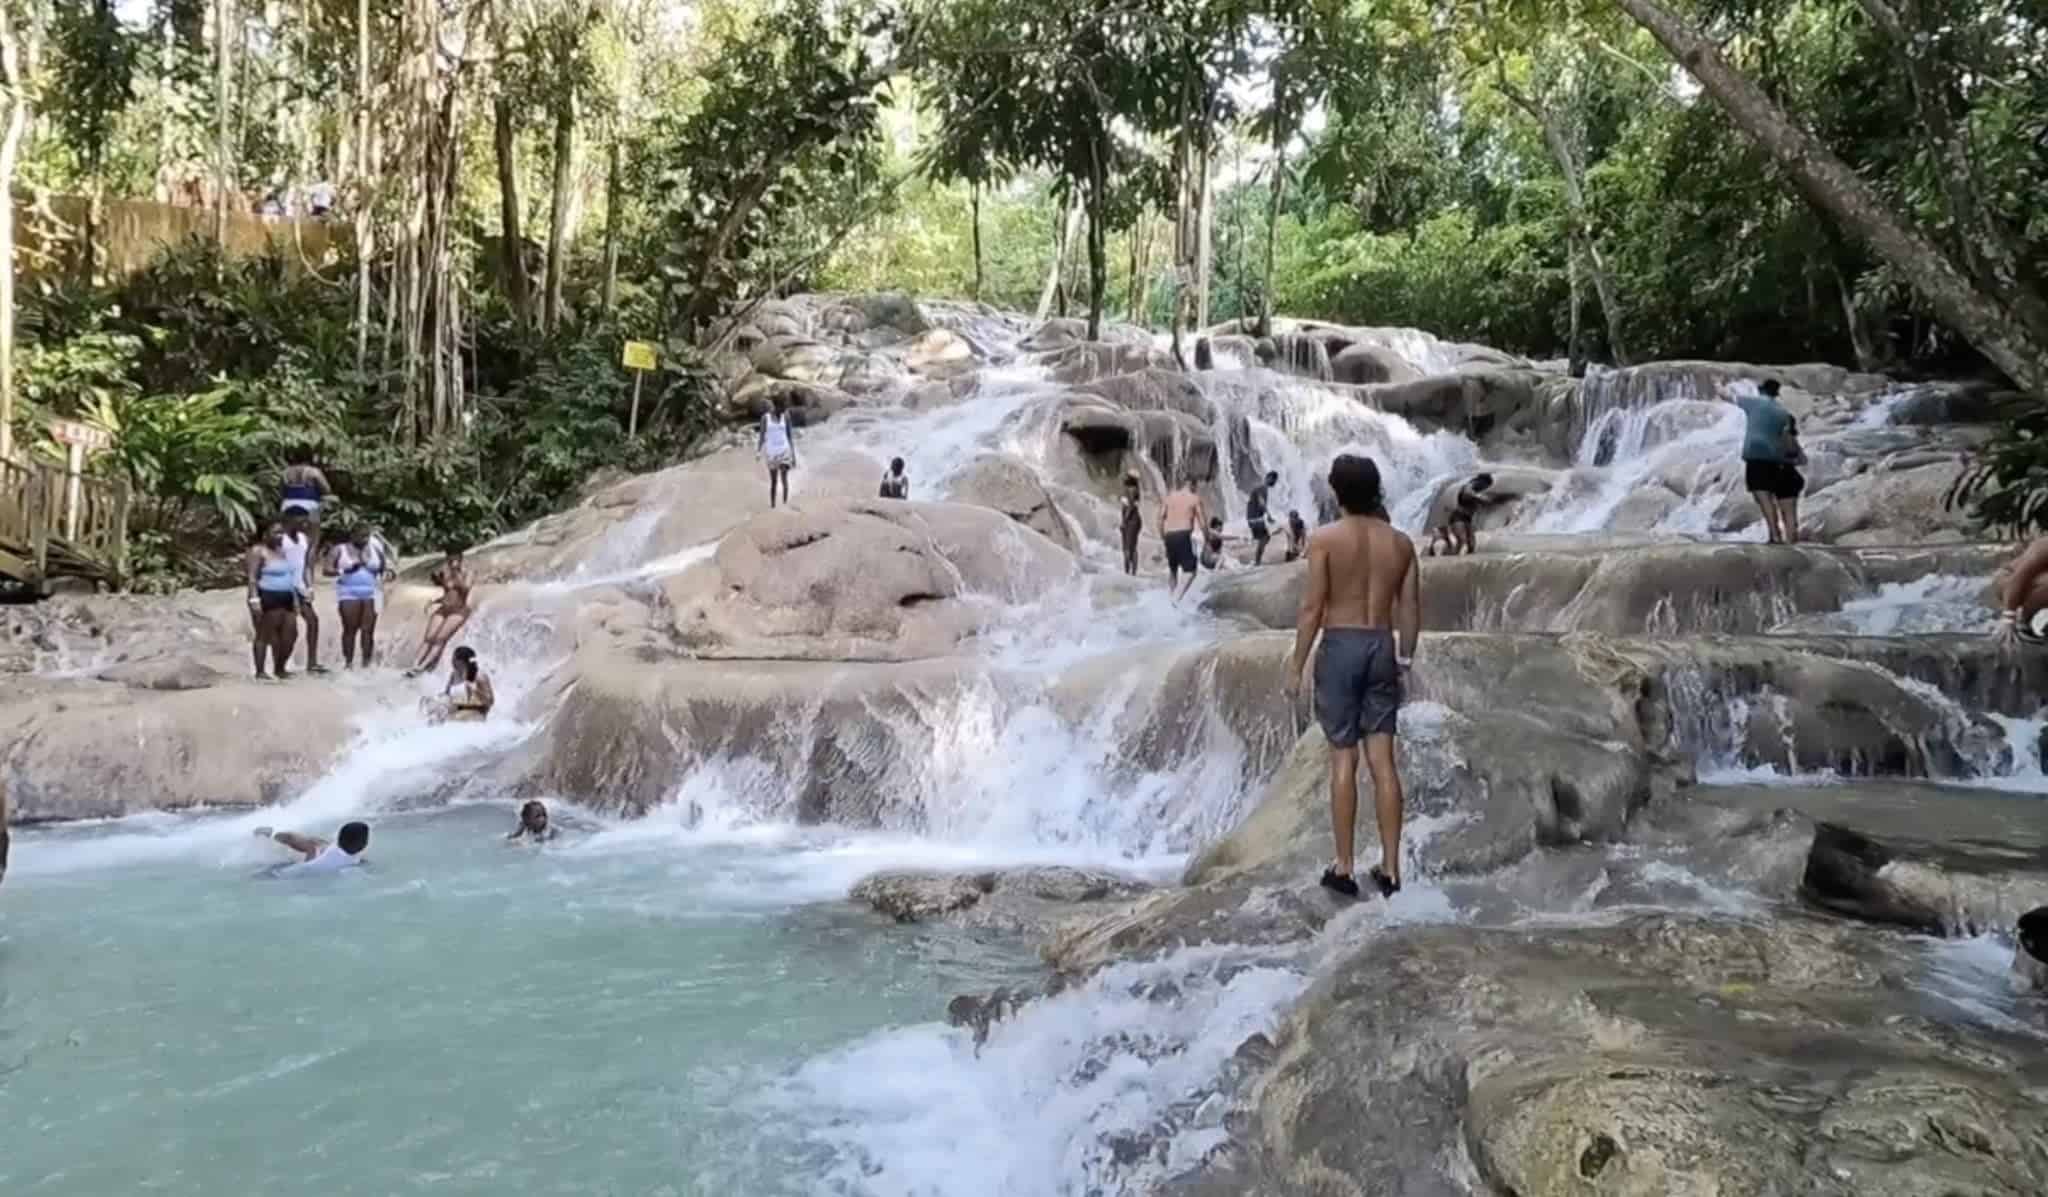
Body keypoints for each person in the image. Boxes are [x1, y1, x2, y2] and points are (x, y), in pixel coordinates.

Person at [1284, 454, 1420, 901]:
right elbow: (1410, 611)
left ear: (1337, 492)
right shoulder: (1400, 544)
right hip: (1381, 643)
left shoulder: (1323, 539)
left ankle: (1344, 866)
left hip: (1341, 645)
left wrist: (1296, 665)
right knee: (1384, 761)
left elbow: (1312, 609)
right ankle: (1392, 869)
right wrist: (1405, 659)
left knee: (1344, 759)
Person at [1732, 379, 1804, 545]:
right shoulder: (1783, 413)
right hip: (1784, 467)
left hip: (1758, 461)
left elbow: (1729, 396)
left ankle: (1774, 534)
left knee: (1765, 499)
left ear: (1762, 391)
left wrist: (1718, 385)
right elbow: (1799, 456)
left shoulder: (1754, 403)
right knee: (1789, 511)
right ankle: (1792, 542)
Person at [245, 522, 301, 680]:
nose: (280, 536)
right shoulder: (258, 551)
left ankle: (280, 668)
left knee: (290, 635)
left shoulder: (283, 552)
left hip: (287, 596)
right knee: (264, 634)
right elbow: (252, 577)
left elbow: (290, 577)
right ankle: (260, 671)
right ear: (266, 534)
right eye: (276, 533)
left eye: (282, 532)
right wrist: (254, 599)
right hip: (267, 595)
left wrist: (296, 599)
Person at [326, 525, 388, 668]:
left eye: (367, 536)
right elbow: (327, 570)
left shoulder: (374, 550)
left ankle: (366, 663)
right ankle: (348, 662)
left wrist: (385, 573)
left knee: (368, 630)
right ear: (352, 535)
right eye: (361, 536)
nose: (364, 539)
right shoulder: (339, 550)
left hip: (371, 593)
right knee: (350, 629)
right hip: (348, 593)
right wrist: (344, 570)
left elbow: (384, 568)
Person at [407, 546, 472, 677]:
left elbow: (465, 590)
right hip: (444, 607)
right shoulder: (445, 572)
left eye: (455, 559)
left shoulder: (467, 573)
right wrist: (436, 599)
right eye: (450, 559)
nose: (452, 562)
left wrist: (456, 574)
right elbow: (448, 593)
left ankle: (423, 666)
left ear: (460, 559)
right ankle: (414, 664)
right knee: (429, 637)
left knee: (439, 638)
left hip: (458, 610)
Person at [281, 508, 327, 674]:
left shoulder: (303, 539)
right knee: (288, 628)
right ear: (289, 519)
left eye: (305, 520)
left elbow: (307, 566)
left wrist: (309, 587)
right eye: (301, 520)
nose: (304, 523)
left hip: (299, 587)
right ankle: (281, 665)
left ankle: (312, 662)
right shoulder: (280, 540)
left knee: (313, 621)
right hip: (282, 588)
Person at [1993, 536, 2048, 648]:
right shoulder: (2044, 546)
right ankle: (2022, 620)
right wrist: (2009, 618)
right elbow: (2018, 577)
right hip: (2009, 579)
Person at [1159, 475, 1206, 604]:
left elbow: (1160, 518)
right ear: (1192, 485)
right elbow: (1203, 522)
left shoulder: (1169, 498)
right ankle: (1176, 600)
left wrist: (1163, 537)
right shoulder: (1194, 499)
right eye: (1195, 486)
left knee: (1173, 570)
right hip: (1183, 535)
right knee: (1191, 571)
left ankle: (1170, 598)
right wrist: (1207, 539)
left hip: (1169, 536)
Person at [256, 821, 370, 873]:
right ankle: (269, 836)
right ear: (362, 844)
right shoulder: (347, 860)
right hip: (281, 873)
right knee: (311, 843)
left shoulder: (338, 851)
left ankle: (269, 836)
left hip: (289, 871)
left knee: (311, 842)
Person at [1445, 473, 1502, 556]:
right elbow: (1467, 492)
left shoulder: (1475, 491)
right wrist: (1480, 499)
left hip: (1466, 520)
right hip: (1458, 518)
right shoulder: (1473, 485)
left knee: (1471, 546)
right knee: (1463, 542)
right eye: (1486, 486)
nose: (1486, 488)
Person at [433, 645, 494, 721]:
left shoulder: (479, 676)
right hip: (455, 716)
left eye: (453, 658)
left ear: (460, 661)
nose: (451, 661)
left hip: (474, 719)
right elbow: (447, 695)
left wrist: (474, 690)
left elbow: (490, 701)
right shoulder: (454, 674)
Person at [759, 397, 797, 509]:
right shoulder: (766, 418)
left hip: (784, 451)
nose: (784, 409)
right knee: (774, 481)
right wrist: (759, 451)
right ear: (776, 406)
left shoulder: (786, 416)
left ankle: (785, 504)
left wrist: (793, 455)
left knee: (784, 478)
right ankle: (773, 506)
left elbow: (790, 436)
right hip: (772, 453)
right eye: (783, 407)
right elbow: (762, 436)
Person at [1246, 471, 1278, 565]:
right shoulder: (1261, 488)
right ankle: (1257, 561)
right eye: (1274, 480)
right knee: (1265, 537)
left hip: (1253, 518)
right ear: (1269, 478)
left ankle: (1257, 560)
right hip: (1255, 519)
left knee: (1263, 537)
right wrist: (1269, 516)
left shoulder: (1261, 488)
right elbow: (1261, 503)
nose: (1274, 483)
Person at [1119, 474, 1143, 576]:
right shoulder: (1133, 489)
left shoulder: (1131, 490)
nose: (1124, 478)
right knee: (1130, 547)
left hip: (1131, 521)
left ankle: (1129, 573)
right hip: (1133, 521)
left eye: (1126, 477)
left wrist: (1124, 521)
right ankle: (1131, 572)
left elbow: (1131, 506)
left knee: (1128, 548)